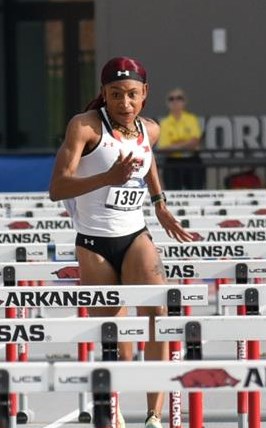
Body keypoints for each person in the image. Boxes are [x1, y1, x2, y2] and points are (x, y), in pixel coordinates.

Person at [48, 56, 193, 428]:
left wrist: (159, 203)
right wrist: (107, 178)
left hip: (135, 235)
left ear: (144, 94)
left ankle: (154, 415)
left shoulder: (151, 130)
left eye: (131, 94)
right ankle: (114, 411)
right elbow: (57, 187)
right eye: (115, 94)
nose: (124, 103)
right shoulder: (85, 127)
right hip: (94, 242)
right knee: (115, 337)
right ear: (103, 93)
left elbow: (148, 159)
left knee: (158, 317)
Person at [157, 88, 204, 190]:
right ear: (167, 103)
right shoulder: (164, 123)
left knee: (196, 193)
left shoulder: (192, 119)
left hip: (192, 160)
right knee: (172, 194)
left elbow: (194, 142)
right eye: (171, 99)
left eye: (179, 98)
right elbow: (163, 148)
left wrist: (175, 145)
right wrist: (185, 144)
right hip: (172, 162)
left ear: (184, 102)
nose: (175, 101)